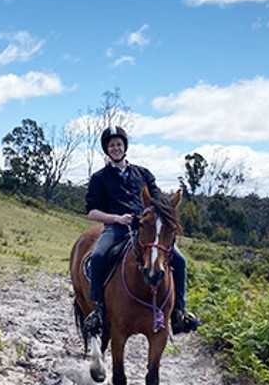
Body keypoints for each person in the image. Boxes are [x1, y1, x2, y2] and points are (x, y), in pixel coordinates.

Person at [83, 125, 200, 336]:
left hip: (145, 229)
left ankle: (179, 312)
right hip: (116, 228)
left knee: (180, 261)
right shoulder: (99, 178)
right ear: (106, 149)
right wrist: (116, 218)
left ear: (124, 146)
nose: (116, 148)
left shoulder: (143, 174)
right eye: (112, 146)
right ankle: (98, 311)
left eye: (119, 144)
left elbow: (158, 203)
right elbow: (92, 212)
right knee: (99, 256)